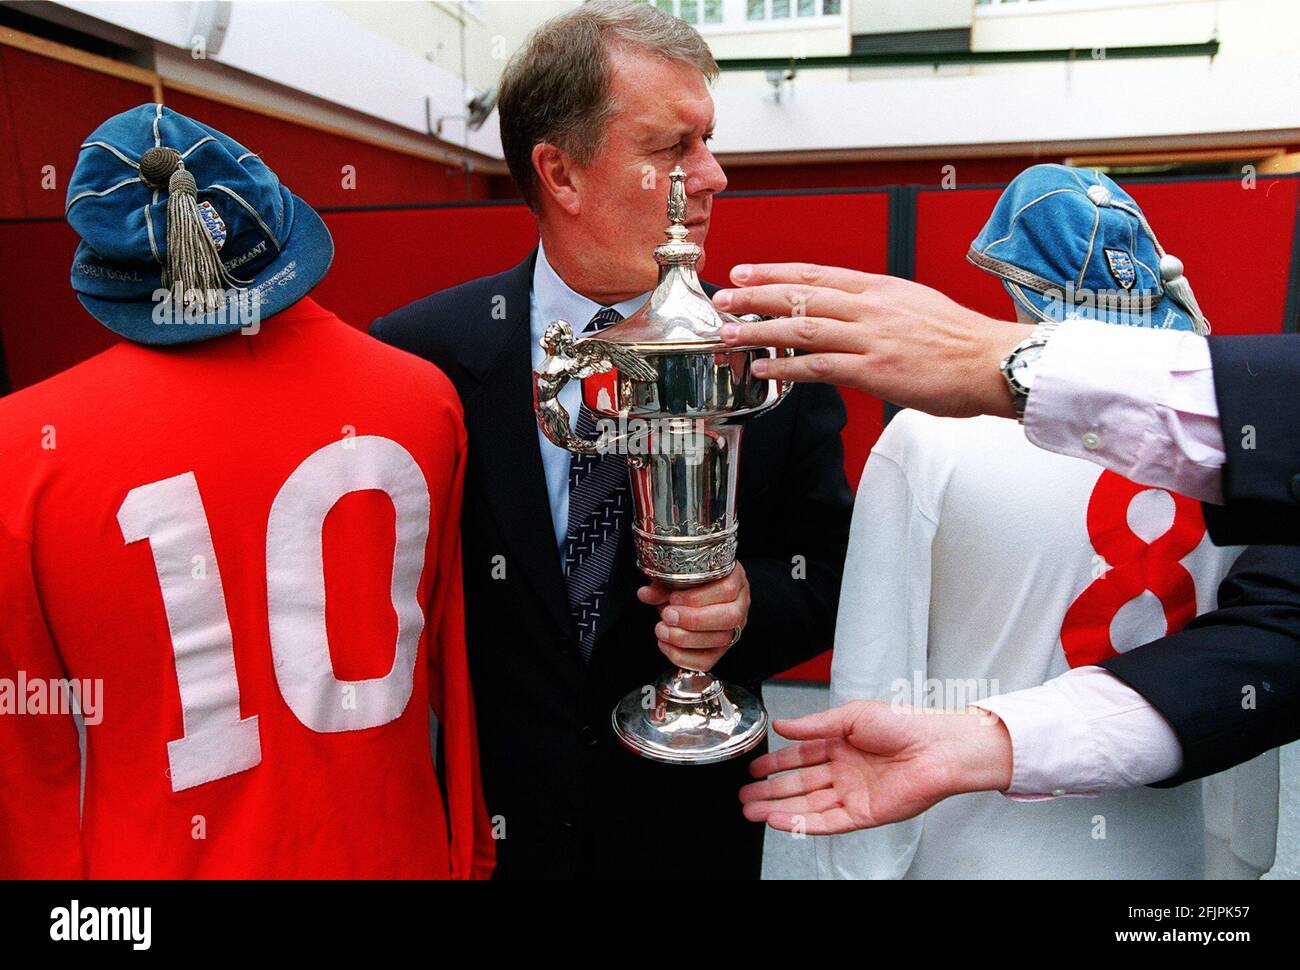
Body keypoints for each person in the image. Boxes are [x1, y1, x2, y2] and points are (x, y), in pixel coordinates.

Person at [370, 2, 852, 879]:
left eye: (708, 140)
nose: (713, 175)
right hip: (488, 837)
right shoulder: (421, 360)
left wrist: (746, 608)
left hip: (689, 840)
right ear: (562, 174)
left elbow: (830, 570)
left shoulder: (772, 356)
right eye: (674, 149)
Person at [0, 104, 493, 879]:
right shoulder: (423, 400)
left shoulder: (20, 448)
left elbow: (27, 764)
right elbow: (454, 674)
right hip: (394, 855)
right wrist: (466, 851)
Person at [712, 226, 1300, 840]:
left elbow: (877, 638)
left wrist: (1016, 365)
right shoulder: (1256, 455)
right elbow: (1271, 637)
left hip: (975, 815)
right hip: (1148, 811)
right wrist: (1242, 840)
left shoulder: (927, 435)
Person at [817, 164, 1276, 879]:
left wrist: (859, 869)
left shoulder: (925, 437)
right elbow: (1253, 658)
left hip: (970, 841)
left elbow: (874, 676)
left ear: (1015, 278)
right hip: (1169, 844)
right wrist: (1242, 853)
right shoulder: (1236, 448)